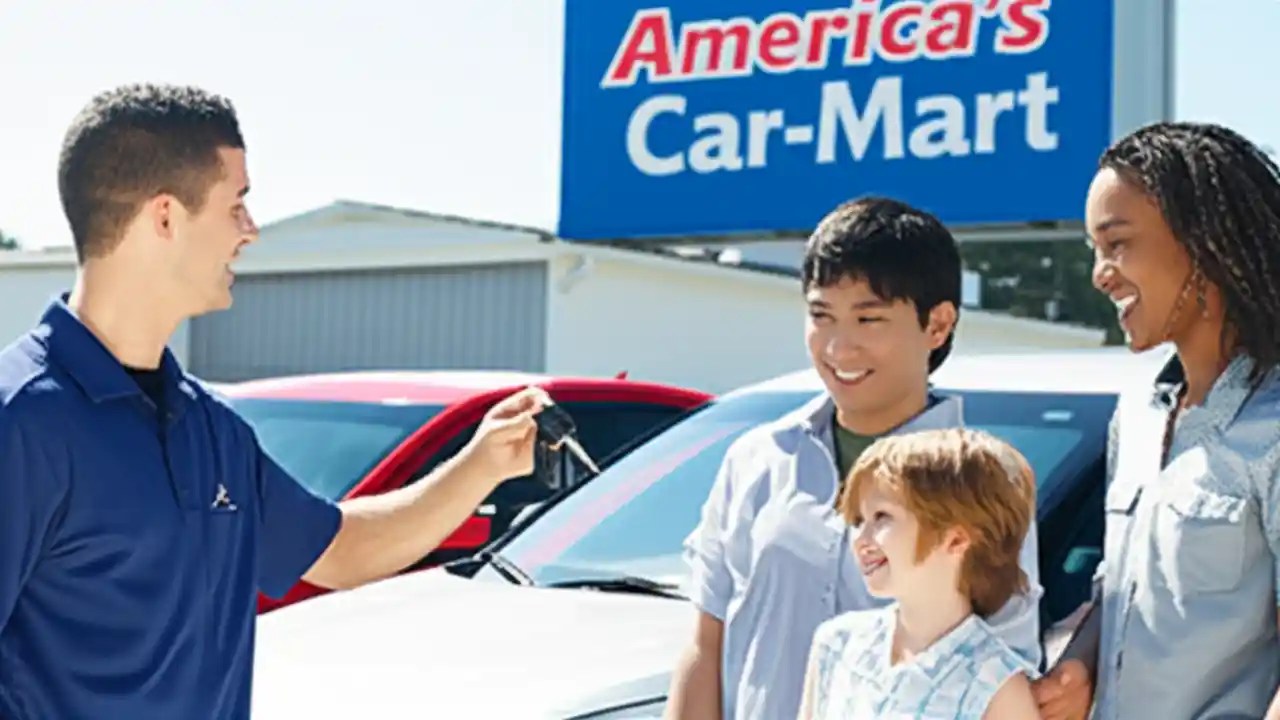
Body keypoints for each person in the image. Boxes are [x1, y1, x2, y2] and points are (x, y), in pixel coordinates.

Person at [0, 83, 550, 720]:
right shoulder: (22, 421)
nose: (251, 232)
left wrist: (481, 462)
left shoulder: (213, 430)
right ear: (166, 217)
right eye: (237, 205)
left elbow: (343, 551)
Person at [663, 196, 1043, 720]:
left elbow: (1006, 668)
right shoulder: (755, 460)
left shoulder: (981, 481)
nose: (839, 348)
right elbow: (706, 647)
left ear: (938, 324)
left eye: (870, 319)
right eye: (822, 316)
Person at [1032, 121, 1280, 720]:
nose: (1099, 272)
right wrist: (1082, 665)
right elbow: (1120, 588)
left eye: (1116, 243)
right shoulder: (1137, 414)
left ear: (1205, 243)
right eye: (1095, 250)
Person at [797, 428, 1041, 720]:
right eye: (859, 520)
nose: (861, 539)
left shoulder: (996, 685)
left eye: (882, 517)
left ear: (956, 540)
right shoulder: (837, 645)